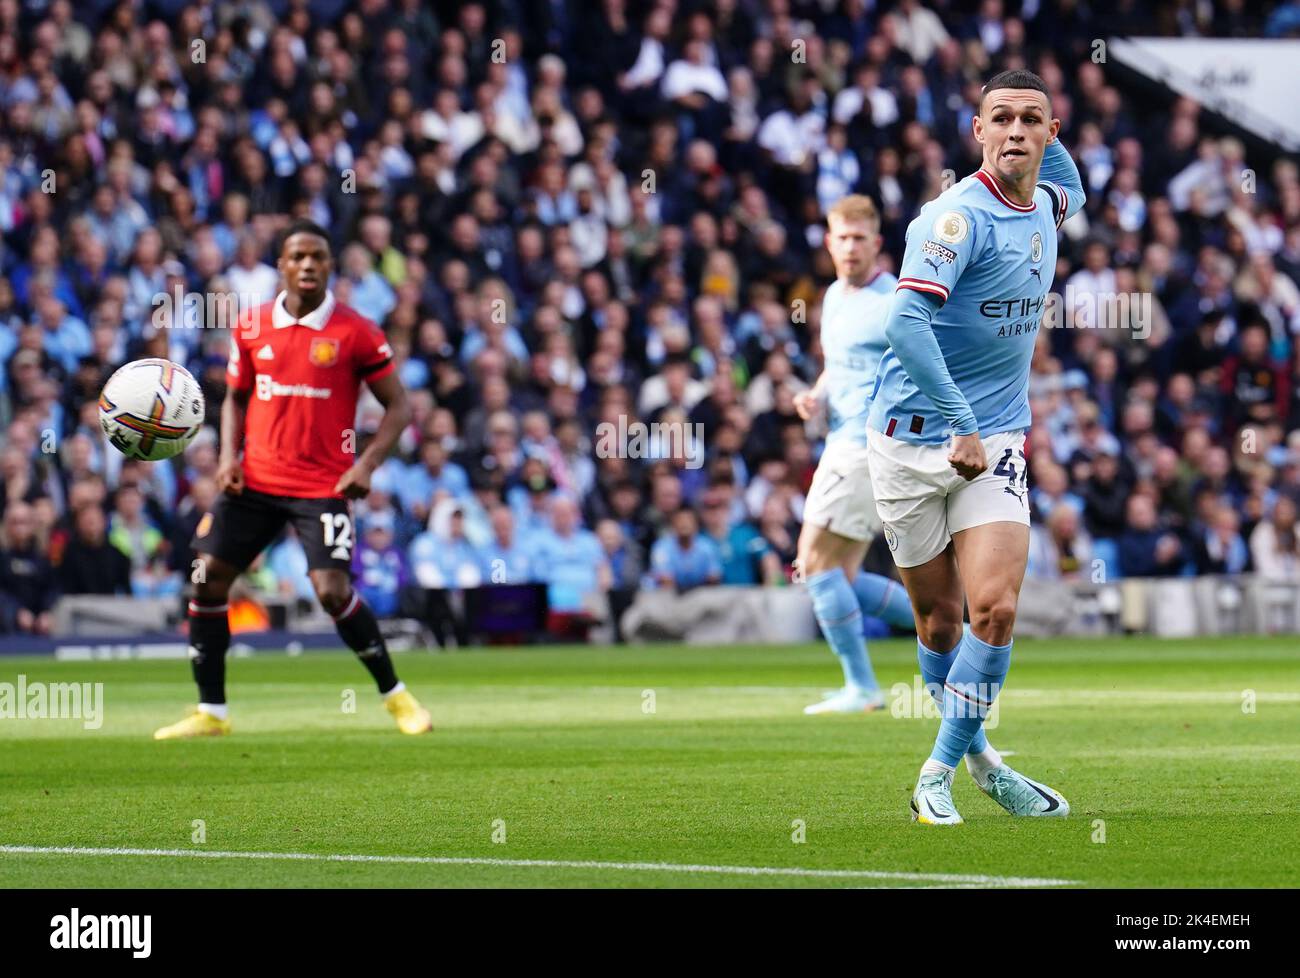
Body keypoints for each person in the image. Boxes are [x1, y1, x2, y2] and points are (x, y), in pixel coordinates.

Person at [866, 70, 1084, 823]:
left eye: (1033, 120)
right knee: (939, 624)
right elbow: (904, 325)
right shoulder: (952, 221)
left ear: (1052, 136)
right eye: (1002, 119)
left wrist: (975, 429)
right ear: (977, 131)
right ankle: (984, 761)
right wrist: (957, 420)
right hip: (908, 442)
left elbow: (1073, 185)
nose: (1017, 131)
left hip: (994, 440)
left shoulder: (1054, 204)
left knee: (993, 609)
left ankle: (935, 772)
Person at [154, 219, 431, 739]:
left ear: (329, 266)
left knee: (331, 591)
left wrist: (366, 464)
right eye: (298, 256)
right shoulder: (252, 325)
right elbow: (236, 397)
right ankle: (211, 711)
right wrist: (228, 458)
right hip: (255, 480)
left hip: (323, 486)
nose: (307, 265)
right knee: (206, 576)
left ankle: (397, 699)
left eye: (318, 257)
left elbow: (399, 406)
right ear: (280, 265)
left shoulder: (356, 332)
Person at [792, 194, 914, 716]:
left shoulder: (893, 302)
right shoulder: (834, 297)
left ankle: (861, 687)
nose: (850, 247)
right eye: (841, 237)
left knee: (813, 564)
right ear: (828, 242)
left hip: (865, 447)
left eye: (860, 238)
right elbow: (840, 365)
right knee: (837, 577)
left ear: (877, 244)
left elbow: (924, 366)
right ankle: (954, 623)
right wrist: (817, 394)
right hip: (840, 440)